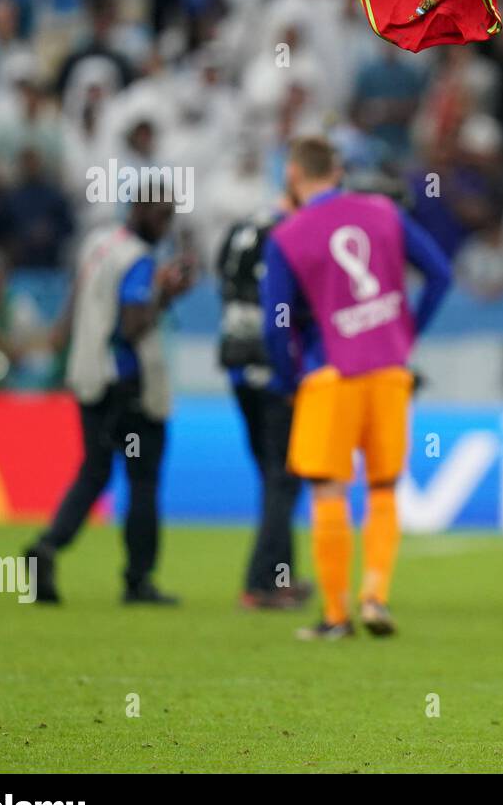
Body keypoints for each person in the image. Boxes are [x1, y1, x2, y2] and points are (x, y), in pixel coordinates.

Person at [262, 136, 451, 639]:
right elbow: (440, 273)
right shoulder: (383, 210)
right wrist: (405, 331)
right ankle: (375, 595)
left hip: (329, 374)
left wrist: (286, 378)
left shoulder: (288, 235)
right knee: (384, 487)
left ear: (293, 176)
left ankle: (334, 615)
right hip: (390, 370)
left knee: (328, 489)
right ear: (340, 170)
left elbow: (275, 325)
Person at [26, 195, 194, 604]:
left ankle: (46, 548)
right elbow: (134, 325)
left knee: (95, 470)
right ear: (138, 211)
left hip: (89, 375)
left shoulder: (99, 243)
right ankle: (138, 579)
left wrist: (63, 338)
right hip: (127, 384)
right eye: (160, 214)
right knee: (142, 480)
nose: (165, 224)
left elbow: (76, 300)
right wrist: (167, 296)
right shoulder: (139, 260)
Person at [217, 204, 309, 610]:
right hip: (273, 368)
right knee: (284, 477)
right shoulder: (293, 232)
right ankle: (259, 585)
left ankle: (280, 576)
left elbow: (224, 281)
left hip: (237, 365)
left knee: (272, 475)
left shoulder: (243, 227)